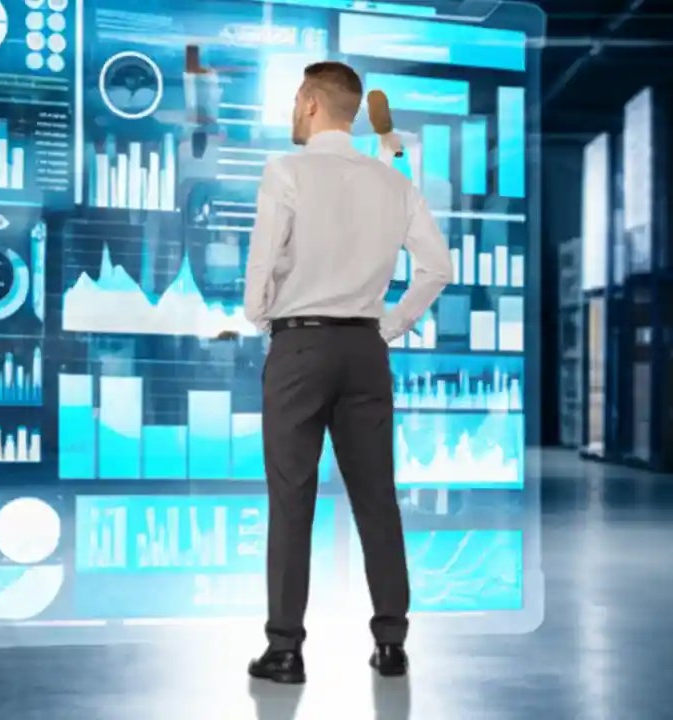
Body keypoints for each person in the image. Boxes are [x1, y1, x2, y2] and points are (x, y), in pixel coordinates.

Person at [241, 60, 453, 684]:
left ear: (309, 102)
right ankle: (391, 645)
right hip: (366, 351)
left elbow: (263, 264)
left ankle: (285, 651)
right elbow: (436, 268)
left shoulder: (287, 171)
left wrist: (262, 313)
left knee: (291, 498)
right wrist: (387, 327)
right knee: (376, 499)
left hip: (300, 347)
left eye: (293, 102)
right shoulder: (392, 182)